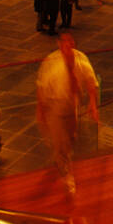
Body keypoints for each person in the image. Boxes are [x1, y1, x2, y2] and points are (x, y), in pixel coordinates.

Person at [35, 32, 99, 198]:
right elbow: (41, 85)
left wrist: (93, 104)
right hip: (54, 107)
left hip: (72, 107)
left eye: (71, 40)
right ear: (59, 43)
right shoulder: (51, 62)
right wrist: (41, 108)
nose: (68, 44)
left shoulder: (80, 60)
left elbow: (91, 82)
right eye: (64, 41)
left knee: (69, 140)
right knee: (61, 144)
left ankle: (60, 154)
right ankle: (67, 175)